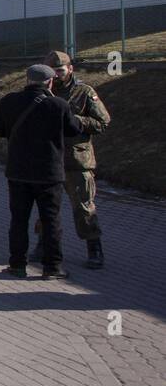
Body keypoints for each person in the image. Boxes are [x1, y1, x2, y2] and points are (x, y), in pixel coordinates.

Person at [0, 63, 87, 279]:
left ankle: (17, 265)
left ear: (27, 80)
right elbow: (74, 130)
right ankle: (52, 267)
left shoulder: (9, 102)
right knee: (51, 221)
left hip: (18, 171)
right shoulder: (59, 105)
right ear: (51, 81)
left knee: (19, 220)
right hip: (49, 173)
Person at [31, 50, 111, 269]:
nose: (55, 75)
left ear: (70, 69)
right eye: (51, 71)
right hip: (49, 160)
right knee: (46, 208)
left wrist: (74, 120)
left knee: (84, 207)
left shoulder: (83, 92)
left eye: (60, 70)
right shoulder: (42, 92)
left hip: (77, 159)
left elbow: (102, 122)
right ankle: (43, 244)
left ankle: (94, 248)